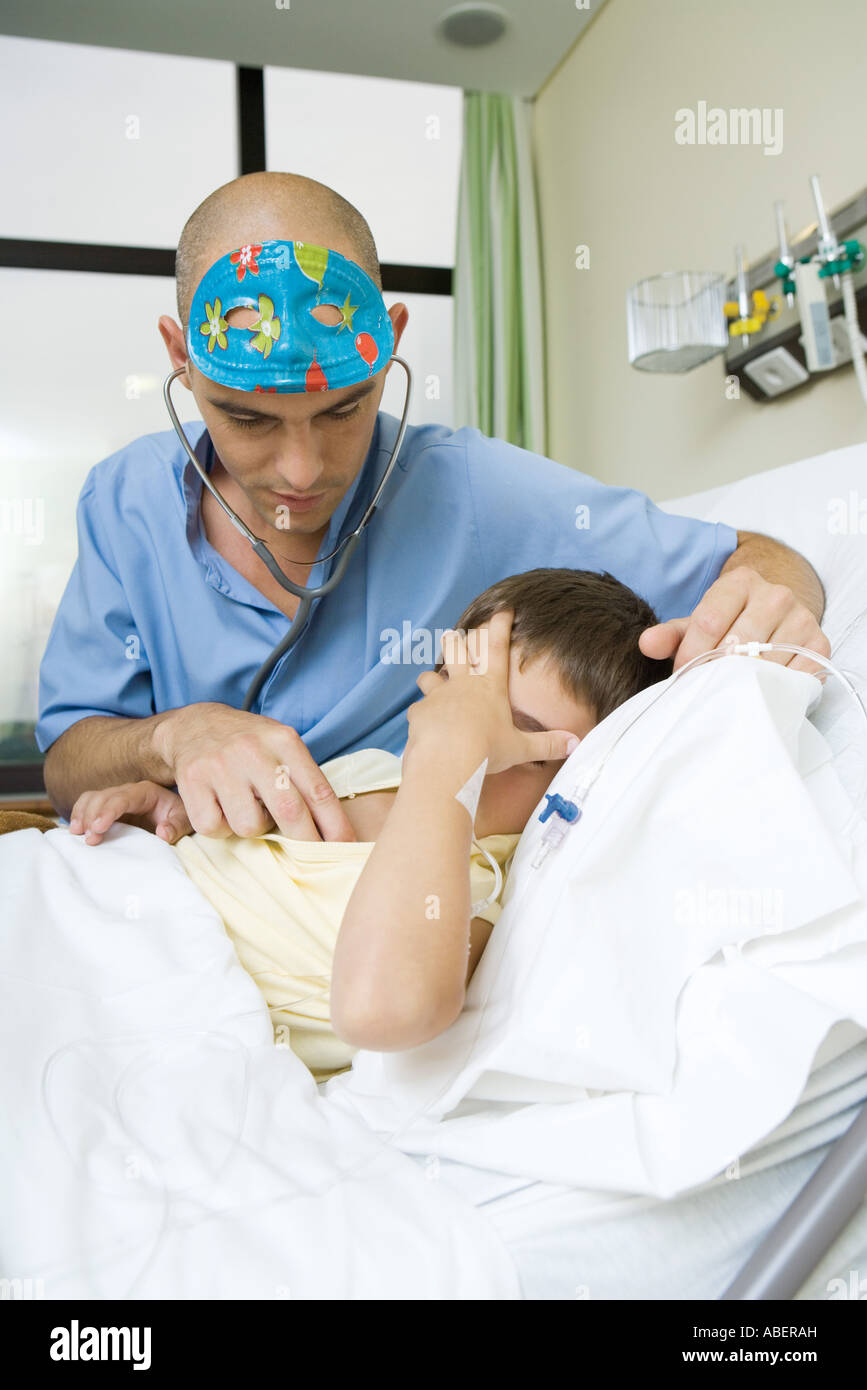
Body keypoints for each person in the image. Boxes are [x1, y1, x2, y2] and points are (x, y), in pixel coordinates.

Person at [36, 171, 829, 847]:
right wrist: (172, 736)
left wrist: (763, 599)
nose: (302, 471)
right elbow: (70, 755)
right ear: (182, 356)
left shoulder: (471, 489)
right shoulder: (124, 501)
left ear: (390, 344)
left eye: (344, 410)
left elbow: (749, 555)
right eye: (249, 418)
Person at [66, 567, 674, 1083]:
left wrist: (451, 758)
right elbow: (232, 863)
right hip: (89, 897)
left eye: (510, 737)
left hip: (124, 1003)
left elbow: (386, 1011)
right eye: (459, 699)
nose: (461, 734)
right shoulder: (365, 770)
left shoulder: (484, 890)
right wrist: (160, 818)